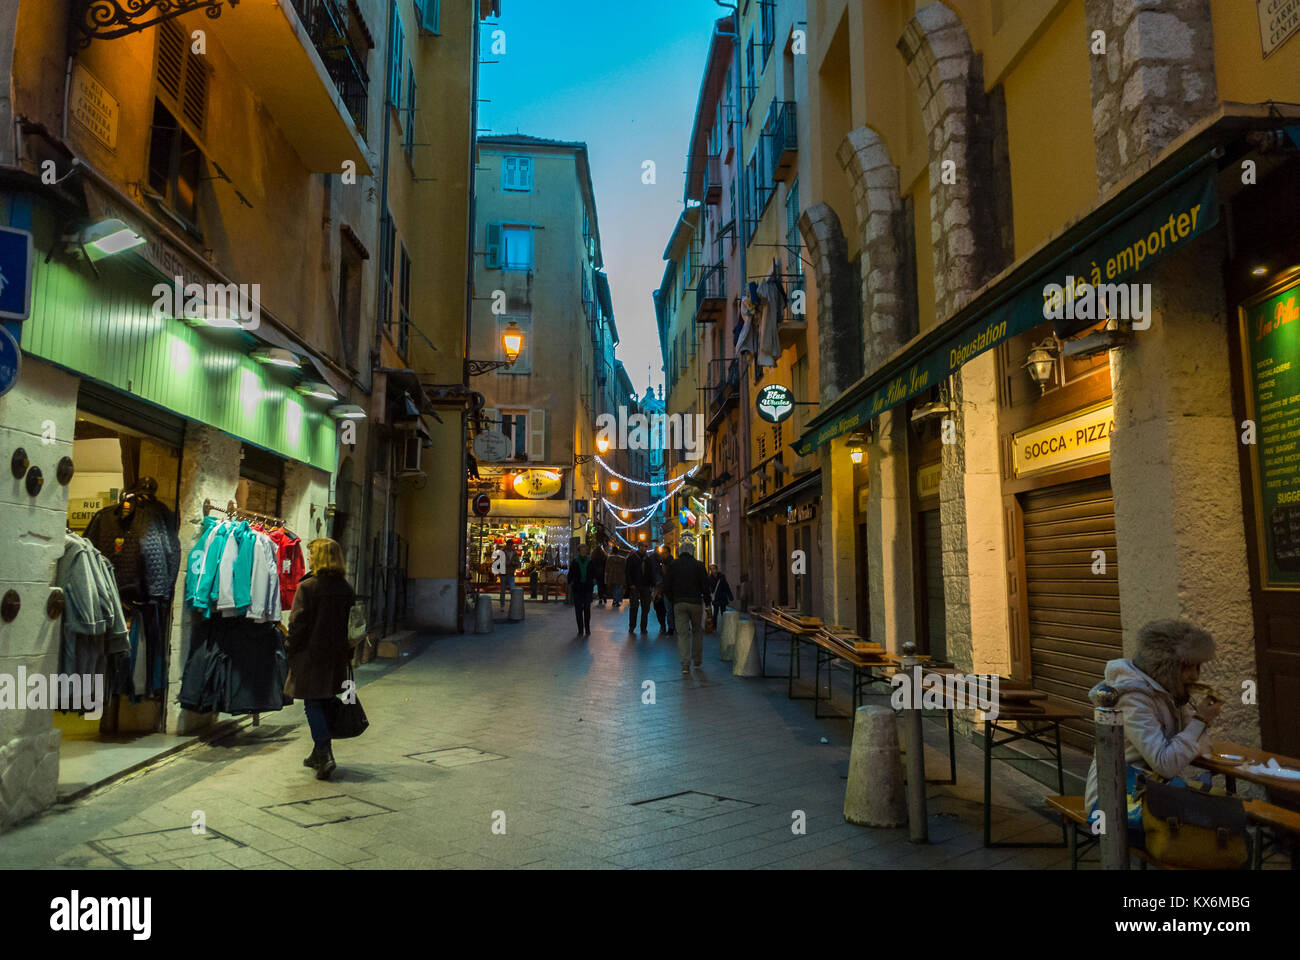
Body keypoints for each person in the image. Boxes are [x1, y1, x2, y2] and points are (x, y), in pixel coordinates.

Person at [1084, 619, 1220, 847]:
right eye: (1188, 667)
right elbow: (1165, 763)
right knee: (1209, 840)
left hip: (1153, 792)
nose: (1195, 676)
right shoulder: (1133, 698)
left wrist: (1194, 726)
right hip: (1116, 802)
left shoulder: (1166, 692)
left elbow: (1203, 748)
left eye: (1198, 667)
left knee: (1223, 824)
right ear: (1166, 666)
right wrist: (1201, 720)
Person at [285, 537, 356, 781]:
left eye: (314, 554)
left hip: (311, 656)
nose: (311, 559)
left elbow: (298, 624)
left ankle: (324, 752)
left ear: (322, 558)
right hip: (336, 657)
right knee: (325, 700)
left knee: (312, 703)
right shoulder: (345, 589)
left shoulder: (308, 587)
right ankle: (318, 753)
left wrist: (290, 650)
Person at [665, 544, 710, 674]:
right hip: (696, 602)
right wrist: (707, 603)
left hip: (679, 603)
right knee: (697, 632)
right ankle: (697, 661)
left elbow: (667, 585)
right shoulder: (699, 565)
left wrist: (673, 599)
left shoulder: (673, 565)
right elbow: (705, 586)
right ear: (692, 552)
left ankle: (685, 664)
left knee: (683, 635)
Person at [625, 541, 659, 633]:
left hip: (645, 585)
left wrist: (652, 584)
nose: (646, 548)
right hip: (635, 586)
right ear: (639, 547)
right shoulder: (632, 558)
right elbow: (628, 572)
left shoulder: (648, 559)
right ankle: (632, 626)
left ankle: (643, 627)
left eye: (646, 547)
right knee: (634, 607)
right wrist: (631, 584)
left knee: (646, 608)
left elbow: (651, 572)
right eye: (644, 546)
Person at [567, 542, 596, 636]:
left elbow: (593, 573)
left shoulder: (590, 561)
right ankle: (580, 630)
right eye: (582, 549)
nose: (584, 551)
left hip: (587, 588)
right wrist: (570, 582)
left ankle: (587, 628)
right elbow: (570, 574)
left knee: (587, 609)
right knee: (578, 610)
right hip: (578, 588)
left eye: (585, 549)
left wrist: (594, 582)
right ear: (579, 551)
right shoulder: (575, 562)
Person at [709, 564, 733, 629]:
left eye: (714, 568)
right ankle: (714, 627)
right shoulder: (709, 578)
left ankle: (725, 626)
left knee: (723, 613)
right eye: (711, 569)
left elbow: (726, 587)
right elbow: (708, 588)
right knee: (715, 613)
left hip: (722, 597)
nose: (713, 570)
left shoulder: (722, 577)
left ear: (716, 569)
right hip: (716, 597)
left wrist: (730, 596)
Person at [591, 543, 608, 607]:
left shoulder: (593, 556)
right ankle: (604, 596)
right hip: (603, 572)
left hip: (596, 573)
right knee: (604, 585)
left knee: (599, 585)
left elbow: (592, 565)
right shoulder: (604, 556)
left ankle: (600, 598)